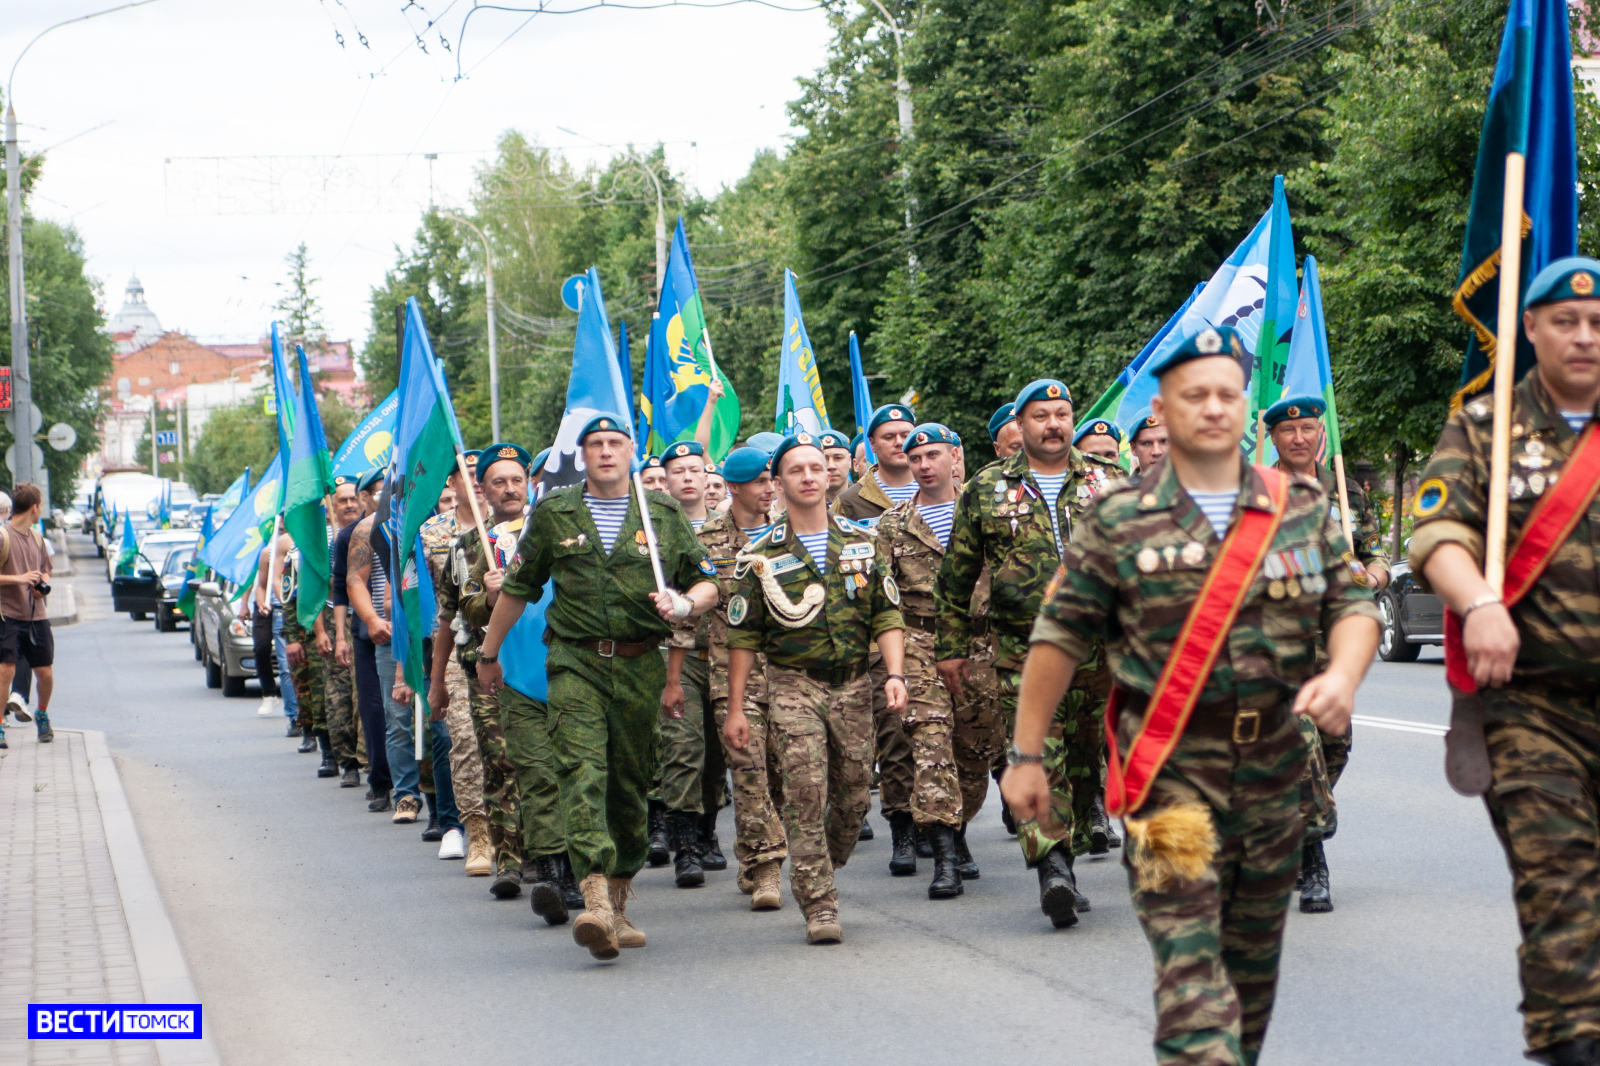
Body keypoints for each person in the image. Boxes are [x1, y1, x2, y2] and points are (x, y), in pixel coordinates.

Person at [1010, 325, 1379, 1065]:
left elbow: (1353, 607)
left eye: (1227, 395)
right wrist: (1026, 755)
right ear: (1164, 407)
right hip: (1168, 773)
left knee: (1248, 984)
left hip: (1274, 774)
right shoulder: (1117, 518)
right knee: (1191, 978)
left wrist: (1341, 677)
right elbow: (1057, 639)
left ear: (1245, 406)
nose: (1213, 408)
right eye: (1194, 395)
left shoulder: (1299, 505)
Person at [1411, 257, 1600, 1066]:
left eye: (1597, 323)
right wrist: (1480, 603)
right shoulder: (1485, 426)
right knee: (1561, 893)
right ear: (1530, 328)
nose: (1585, 336)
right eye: (1566, 320)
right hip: (1534, 711)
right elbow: (1435, 534)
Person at [478, 416, 718, 961]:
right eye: (596, 445)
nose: (606, 452)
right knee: (582, 770)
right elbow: (518, 589)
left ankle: (619, 897)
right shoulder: (555, 512)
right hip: (575, 661)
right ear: (581, 454)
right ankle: (594, 902)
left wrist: (684, 604)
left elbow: (707, 579)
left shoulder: (660, 514)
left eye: (615, 443)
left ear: (631, 451)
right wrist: (487, 653)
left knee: (629, 786)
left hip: (639, 667)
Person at [935, 378, 1122, 928]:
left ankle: (1072, 843)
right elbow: (955, 577)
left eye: (1062, 414)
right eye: (1040, 416)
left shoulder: (1110, 481)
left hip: (1102, 651)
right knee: (1041, 755)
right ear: (1020, 424)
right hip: (1023, 648)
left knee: (1089, 762)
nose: (1053, 424)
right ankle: (1053, 867)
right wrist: (951, 649)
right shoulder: (987, 489)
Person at [725, 432, 907, 943]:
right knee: (805, 792)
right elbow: (743, 636)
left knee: (852, 799)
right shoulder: (759, 556)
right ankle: (819, 903)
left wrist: (895, 674)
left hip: (853, 685)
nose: (808, 476)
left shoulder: (862, 542)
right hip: (792, 685)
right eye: (795, 470)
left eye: (815, 467)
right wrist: (737, 707)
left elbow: (886, 612)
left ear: (829, 476)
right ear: (778, 483)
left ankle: (824, 857)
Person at [1264, 392, 1390, 914]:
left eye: (1309, 429)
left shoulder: (1348, 492)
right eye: (1288, 431)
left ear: (1321, 434)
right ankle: (1313, 859)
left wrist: (1375, 574)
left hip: (1336, 639)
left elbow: (1375, 551)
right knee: (1303, 746)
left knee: (1335, 746)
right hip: (1283, 639)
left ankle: (1289, 825)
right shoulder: (1258, 493)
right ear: (1272, 437)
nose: (1299, 438)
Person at [877, 424, 971, 898]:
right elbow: (883, 596)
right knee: (931, 740)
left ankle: (961, 827)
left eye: (933, 455)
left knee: (976, 749)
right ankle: (946, 855)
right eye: (916, 459)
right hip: (919, 641)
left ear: (955, 457)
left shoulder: (985, 508)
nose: (924, 466)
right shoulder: (893, 524)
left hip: (981, 643)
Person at [832, 405, 924, 871]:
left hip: (935, 630)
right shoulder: (851, 502)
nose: (899, 442)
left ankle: (942, 825)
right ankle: (903, 829)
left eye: (906, 433)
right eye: (888, 435)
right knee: (894, 735)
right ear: (871, 445)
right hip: (879, 636)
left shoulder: (942, 490)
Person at [655, 439, 731, 887]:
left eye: (694, 469)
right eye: (677, 470)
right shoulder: (654, 529)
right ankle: (684, 845)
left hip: (722, 652)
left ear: (707, 476)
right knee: (683, 747)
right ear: (665, 480)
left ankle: (706, 832)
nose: (687, 476)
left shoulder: (729, 528)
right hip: (673, 655)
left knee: (718, 751)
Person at [417, 455, 488, 865]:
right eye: (471, 475)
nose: (478, 483)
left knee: (506, 746)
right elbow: (428, 604)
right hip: (456, 649)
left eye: (485, 476)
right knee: (461, 738)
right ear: (452, 482)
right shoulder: (431, 534)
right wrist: (431, 672)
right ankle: (473, 831)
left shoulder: (520, 527)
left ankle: (512, 834)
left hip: (512, 650)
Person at [333, 470, 387, 796]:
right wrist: (342, 635)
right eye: (378, 494)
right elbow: (344, 587)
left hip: (409, 633)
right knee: (373, 710)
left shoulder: (416, 526)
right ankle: (380, 781)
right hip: (368, 635)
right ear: (367, 497)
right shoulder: (350, 537)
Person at [0, 484, 54, 744]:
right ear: (34, 508)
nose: (40, 510)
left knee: (45, 673)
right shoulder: (3, 537)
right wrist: (19, 578)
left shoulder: (38, 539)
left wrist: (43, 586)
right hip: (7, 615)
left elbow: (46, 570)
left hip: (37, 616)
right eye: (40, 506)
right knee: (5, 671)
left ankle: (42, 715)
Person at [819, 429, 854, 504]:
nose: (831, 466)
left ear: (849, 461)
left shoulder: (866, 502)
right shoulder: (803, 507)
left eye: (838, 458)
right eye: (824, 459)